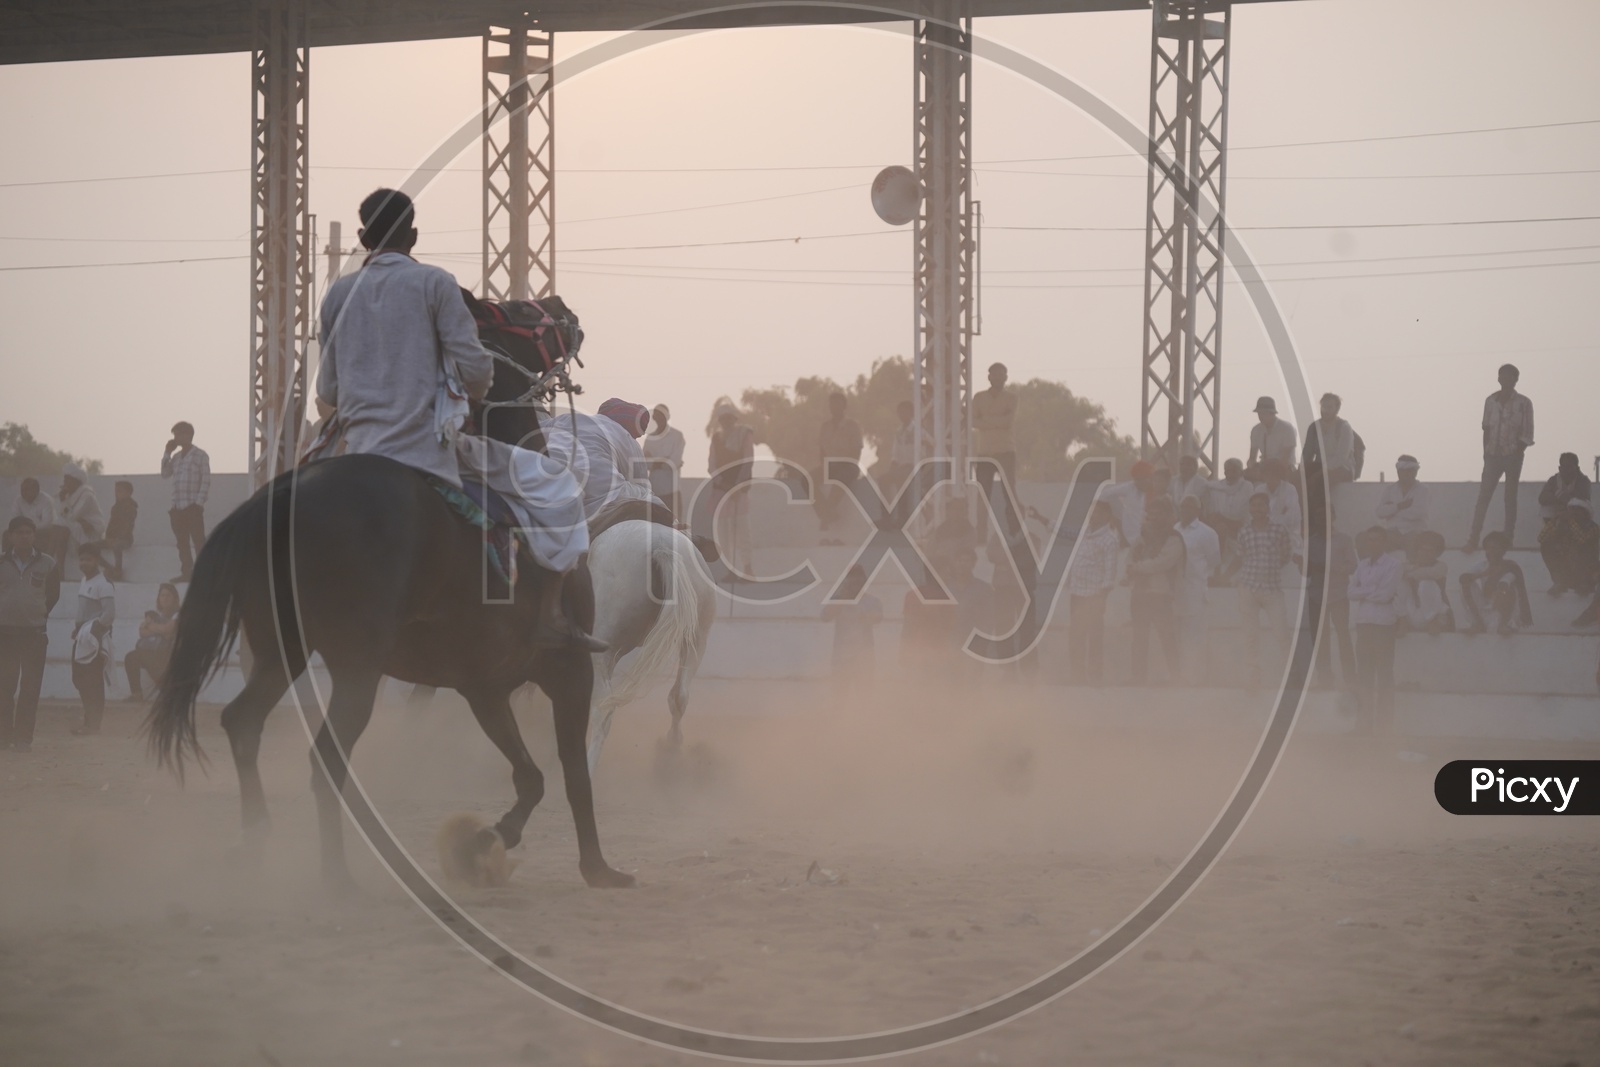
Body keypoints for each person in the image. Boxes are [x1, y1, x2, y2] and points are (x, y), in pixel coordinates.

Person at [317, 188, 599, 651]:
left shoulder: (337, 296)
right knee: (556, 484)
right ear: (413, 235)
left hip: (352, 452)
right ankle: (550, 614)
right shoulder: (434, 284)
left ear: (363, 237)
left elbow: (327, 391)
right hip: (425, 450)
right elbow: (476, 369)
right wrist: (468, 396)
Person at [542, 399, 661, 524]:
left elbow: (531, 432)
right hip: (602, 494)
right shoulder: (630, 441)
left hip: (553, 485)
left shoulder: (566, 418)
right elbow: (643, 486)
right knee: (646, 496)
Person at [1220, 491, 1294, 688]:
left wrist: (1268, 567)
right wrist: (1225, 575)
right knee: (1250, 635)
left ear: (1268, 508)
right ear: (1250, 510)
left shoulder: (1279, 530)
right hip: (1248, 587)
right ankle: (1253, 676)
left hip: (1272, 588)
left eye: (1262, 505)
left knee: (1282, 633)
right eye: (1254, 506)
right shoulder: (1244, 532)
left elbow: (1286, 555)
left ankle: (1291, 677)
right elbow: (1240, 557)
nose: (1258, 509)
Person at [0, 517, 60, 752]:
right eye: (19, 532)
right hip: (5, 635)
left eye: (29, 532)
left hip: (34, 635)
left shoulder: (48, 563)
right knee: (4, 687)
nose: (24, 536)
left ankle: (24, 738)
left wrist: (38, 614)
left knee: (30, 687)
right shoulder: (1, 562)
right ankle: (3, 737)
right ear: (11, 536)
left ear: (34, 535)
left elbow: (53, 595)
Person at [1465, 363, 1534, 552]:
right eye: (1502, 376)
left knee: (1509, 498)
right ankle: (1473, 538)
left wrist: (1517, 452)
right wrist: (1486, 453)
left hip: (1512, 455)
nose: (1505, 379)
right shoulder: (1490, 401)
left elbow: (1527, 433)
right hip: (1492, 456)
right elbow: (1486, 428)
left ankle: (1508, 538)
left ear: (1515, 379)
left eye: (1509, 376)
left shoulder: (1524, 403)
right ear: (1498, 378)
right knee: (1483, 498)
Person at [1347, 526, 1404, 734]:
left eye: (1378, 540)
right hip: (1364, 624)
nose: (1373, 544)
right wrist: (1372, 590)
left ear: (1385, 542)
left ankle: (1384, 724)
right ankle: (1363, 723)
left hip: (1384, 625)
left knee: (1385, 674)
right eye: (1370, 540)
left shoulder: (1394, 564)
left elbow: (1386, 595)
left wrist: (1364, 592)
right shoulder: (1362, 565)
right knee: (1364, 675)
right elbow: (1350, 592)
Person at [1125, 496, 1184, 685]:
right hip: (1140, 594)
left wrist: (1137, 568)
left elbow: (1163, 563)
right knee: (1139, 638)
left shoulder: (1174, 538)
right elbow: (1129, 559)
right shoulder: (1142, 536)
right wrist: (1134, 567)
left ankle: (1176, 677)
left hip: (1160, 594)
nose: (1155, 517)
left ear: (1168, 516)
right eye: (1152, 513)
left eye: (1160, 513)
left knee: (1166, 637)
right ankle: (1138, 677)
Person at [1065, 500, 1120, 686]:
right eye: (1091, 512)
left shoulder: (1110, 539)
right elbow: (1062, 532)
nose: (1092, 516)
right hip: (1077, 593)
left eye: (1097, 513)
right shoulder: (1085, 533)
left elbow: (1109, 572)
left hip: (1094, 596)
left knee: (1094, 637)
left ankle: (1095, 676)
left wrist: (1102, 599)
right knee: (1075, 636)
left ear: (1106, 517)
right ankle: (1077, 676)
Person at [1309, 501, 1358, 690]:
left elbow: (1353, 566)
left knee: (1343, 636)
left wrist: (1330, 567)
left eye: (1326, 516)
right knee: (1320, 639)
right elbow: (1306, 573)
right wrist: (1303, 565)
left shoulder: (1344, 539)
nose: (1322, 520)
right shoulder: (1311, 542)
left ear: (1333, 517)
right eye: (1319, 517)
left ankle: (1350, 678)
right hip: (1316, 596)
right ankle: (1325, 677)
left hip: (1338, 595)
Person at [1175, 494, 1221, 684]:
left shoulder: (1207, 533)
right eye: (1183, 506)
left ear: (1198, 510)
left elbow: (1214, 562)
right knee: (1178, 637)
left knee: (1197, 637)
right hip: (1175, 593)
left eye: (1189, 507)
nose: (1185, 510)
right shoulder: (1173, 529)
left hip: (1196, 592)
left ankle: (1200, 678)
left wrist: (1198, 576)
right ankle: (1180, 676)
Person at [69, 545, 115, 736]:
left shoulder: (103, 583)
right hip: (82, 636)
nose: (84, 563)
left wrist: (93, 632)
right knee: (79, 678)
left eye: (88, 559)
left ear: (97, 560)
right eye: (81, 559)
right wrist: (78, 629)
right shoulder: (84, 580)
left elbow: (109, 614)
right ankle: (90, 719)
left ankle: (93, 725)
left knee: (93, 681)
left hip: (94, 638)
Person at [821, 564, 882, 698]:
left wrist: (865, 615)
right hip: (841, 655)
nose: (856, 583)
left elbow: (878, 617)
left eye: (859, 580)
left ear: (864, 581)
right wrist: (843, 598)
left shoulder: (872, 601)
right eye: (852, 579)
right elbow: (825, 616)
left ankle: (863, 718)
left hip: (864, 654)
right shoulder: (837, 600)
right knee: (839, 695)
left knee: (865, 695)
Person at [708, 406, 756, 573]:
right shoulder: (717, 438)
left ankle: (747, 568)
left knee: (743, 531)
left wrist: (738, 485)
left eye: (730, 418)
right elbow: (712, 465)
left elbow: (748, 460)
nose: (727, 422)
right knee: (723, 533)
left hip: (739, 491)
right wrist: (724, 485)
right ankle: (729, 570)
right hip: (721, 491)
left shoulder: (745, 435)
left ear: (735, 419)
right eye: (723, 419)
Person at [161, 421, 210, 582]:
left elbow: (206, 480)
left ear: (188, 435)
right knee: (182, 543)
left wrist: (199, 504)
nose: (175, 438)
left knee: (198, 541)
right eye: (175, 435)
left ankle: (203, 573)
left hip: (192, 506)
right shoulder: (175, 458)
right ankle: (187, 573)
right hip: (177, 507)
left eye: (178, 434)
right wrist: (167, 452)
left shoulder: (200, 455)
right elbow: (165, 474)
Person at [972, 363, 1019, 530]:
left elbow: (1008, 422)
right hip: (984, 452)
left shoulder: (1011, 397)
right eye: (995, 374)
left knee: (1009, 492)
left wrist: (985, 420)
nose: (998, 378)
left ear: (1006, 377)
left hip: (1006, 450)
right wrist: (997, 420)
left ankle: (1014, 528)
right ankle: (981, 532)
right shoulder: (978, 397)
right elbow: (972, 421)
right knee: (983, 494)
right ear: (989, 377)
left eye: (1001, 375)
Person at [1459, 531, 1532, 635]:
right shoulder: (1482, 565)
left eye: (1496, 548)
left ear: (1503, 550)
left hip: (1502, 606)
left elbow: (1505, 583)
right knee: (1466, 584)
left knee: (1507, 588)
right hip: (1484, 605)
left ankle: (1504, 624)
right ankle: (1477, 623)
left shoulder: (1510, 566)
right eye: (1489, 548)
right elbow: (1463, 578)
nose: (1491, 551)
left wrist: (1499, 587)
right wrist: (1484, 573)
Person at [815, 392, 863, 544]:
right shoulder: (825, 427)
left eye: (837, 403)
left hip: (848, 465)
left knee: (840, 480)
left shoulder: (852, 426)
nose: (834, 407)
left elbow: (857, 450)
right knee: (806, 480)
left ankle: (826, 514)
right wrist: (823, 466)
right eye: (831, 403)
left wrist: (850, 464)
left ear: (844, 406)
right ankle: (827, 512)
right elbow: (822, 450)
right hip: (830, 465)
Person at [124, 582, 180, 702]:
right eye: (162, 595)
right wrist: (160, 630)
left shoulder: (179, 614)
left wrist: (150, 625)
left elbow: (169, 630)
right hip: (153, 652)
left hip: (170, 652)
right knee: (131, 657)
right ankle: (137, 695)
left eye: (168, 595)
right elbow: (142, 632)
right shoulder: (157, 615)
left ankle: (167, 691)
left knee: (144, 656)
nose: (165, 598)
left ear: (175, 598)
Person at [1538, 498, 1599, 598]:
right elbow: (1541, 538)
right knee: (1547, 545)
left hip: (1587, 572)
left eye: (1577, 510)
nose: (1573, 513)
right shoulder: (1565, 524)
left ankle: (1584, 584)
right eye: (1571, 509)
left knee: (1582, 549)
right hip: (1569, 570)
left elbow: (1581, 539)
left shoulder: (1594, 527)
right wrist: (1554, 520)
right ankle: (1560, 582)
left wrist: (1571, 522)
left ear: (1585, 513)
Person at [1396, 530, 1454, 633]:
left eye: (1430, 551)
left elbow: (1431, 573)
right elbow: (1397, 571)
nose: (1426, 554)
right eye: (1423, 550)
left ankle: (1432, 621)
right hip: (1415, 613)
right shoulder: (1409, 565)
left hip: (1437, 616)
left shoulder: (1441, 566)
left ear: (1437, 553)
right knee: (1400, 584)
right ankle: (1402, 621)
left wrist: (1411, 573)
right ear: (1417, 550)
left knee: (1426, 583)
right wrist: (1415, 567)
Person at [1375, 454, 1431, 549]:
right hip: (1392, 533)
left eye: (1409, 471)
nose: (1405, 474)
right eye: (1402, 471)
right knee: (1369, 541)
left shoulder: (1423, 490)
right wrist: (1399, 506)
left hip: (1414, 532)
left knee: (1416, 544)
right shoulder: (1389, 489)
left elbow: (1417, 514)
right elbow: (1380, 512)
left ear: (1415, 472)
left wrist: (1392, 511)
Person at [1204, 458, 1255, 561]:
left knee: (1222, 527)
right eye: (1227, 470)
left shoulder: (1246, 487)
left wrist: (1222, 518)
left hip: (1241, 529)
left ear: (1240, 472)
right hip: (1219, 526)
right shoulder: (1217, 486)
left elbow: (1242, 515)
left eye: (1234, 470)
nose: (1230, 474)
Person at [1302, 393, 1357, 486]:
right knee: (1298, 479)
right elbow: (1307, 453)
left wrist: (1321, 472)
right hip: (1319, 468)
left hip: (1341, 469)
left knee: (1320, 481)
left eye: (1329, 407)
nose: (1325, 411)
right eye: (1323, 407)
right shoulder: (1314, 427)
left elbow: (1341, 458)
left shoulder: (1343, 427)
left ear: (1336, 409)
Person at [57, 463, 105, 570]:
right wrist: (63, 500)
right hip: (79, 527)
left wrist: (64, 501)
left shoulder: (87, 495)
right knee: (58, 527)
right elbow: (64, 515)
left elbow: (72, 516)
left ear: (76, 481)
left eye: (67, 480)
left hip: (92, 531)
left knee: (60, 525)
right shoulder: (71, 495)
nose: (64, 483)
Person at [641, 404, 686, 517]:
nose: (659, 418)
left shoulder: (677, 436)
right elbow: (644, 464)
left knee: (676, 529)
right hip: (654, 491)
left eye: (662, 416)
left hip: (672, 491)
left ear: (668, 417)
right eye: (657, 416)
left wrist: (655, 463)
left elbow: (673, 463)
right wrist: (663, 461)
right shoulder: (650, 438)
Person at [7, 477, 63, 564]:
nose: (23, 492)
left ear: (36, 490)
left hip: (43, 531)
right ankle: (7, 564)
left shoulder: (46, 500)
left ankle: (41, 565)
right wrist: (24, 530)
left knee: (36, 536)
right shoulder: (18, 500)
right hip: (24, 530)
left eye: (27, 490)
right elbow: (14, 520)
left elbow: (47, 523)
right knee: (6, 534)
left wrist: (29, 530)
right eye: (22, 490)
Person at [1257, 459, 1303, 560]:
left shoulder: (1290, 489)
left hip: (1288, 534)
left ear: (1279, 474)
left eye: (1272, 473)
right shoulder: (1259, 489)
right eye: (1266, 473)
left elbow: (1290, 518)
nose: (1269, 476)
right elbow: (1254, 514)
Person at [1104, 460, 1157, 546]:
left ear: (1150, 478)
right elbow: (1104, 495)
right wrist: (1117, 517)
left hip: (1150, 540)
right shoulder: (1130, 487)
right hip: (1128, 538)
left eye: (1142, 479)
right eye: (1136, 479)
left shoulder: (1158, 492)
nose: (1138, 483)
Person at [1247, 396, 1297, 477]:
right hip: (1263, 468)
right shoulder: (1256, 430)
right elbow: (1252, 457)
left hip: (1285, 469)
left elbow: (1285, 458)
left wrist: (1271, 468)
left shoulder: (1287, 429)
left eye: (1263, 413)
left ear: (1272, 413)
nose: (1260, 416)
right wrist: (1250, 466)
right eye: (1259, 413)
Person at [1537, 452, 1593, 525]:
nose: (1567, 470)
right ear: (1559, 468)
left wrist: (1568, 501)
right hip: (1556, 515)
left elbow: (1583, 501)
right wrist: (1559, 499)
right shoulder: (1553, 480)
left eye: (1569, 467)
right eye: (1564, 467)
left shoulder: (1583, 481)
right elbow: (1542, 498)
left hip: (1575, 516)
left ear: (1577, 468)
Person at [103, 479, 138, 582]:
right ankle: (109, 568)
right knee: (91, 547)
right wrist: (108, 538)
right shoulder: (115, 507)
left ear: (128, 493)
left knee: (117, 545)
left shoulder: (131, 508)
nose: (117, 494)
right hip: (112, 538)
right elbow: (110, 525)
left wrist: (117, 538)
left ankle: (118, 570)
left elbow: (128, 526)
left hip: (125, 539)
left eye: (120, 491)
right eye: (116, 491)